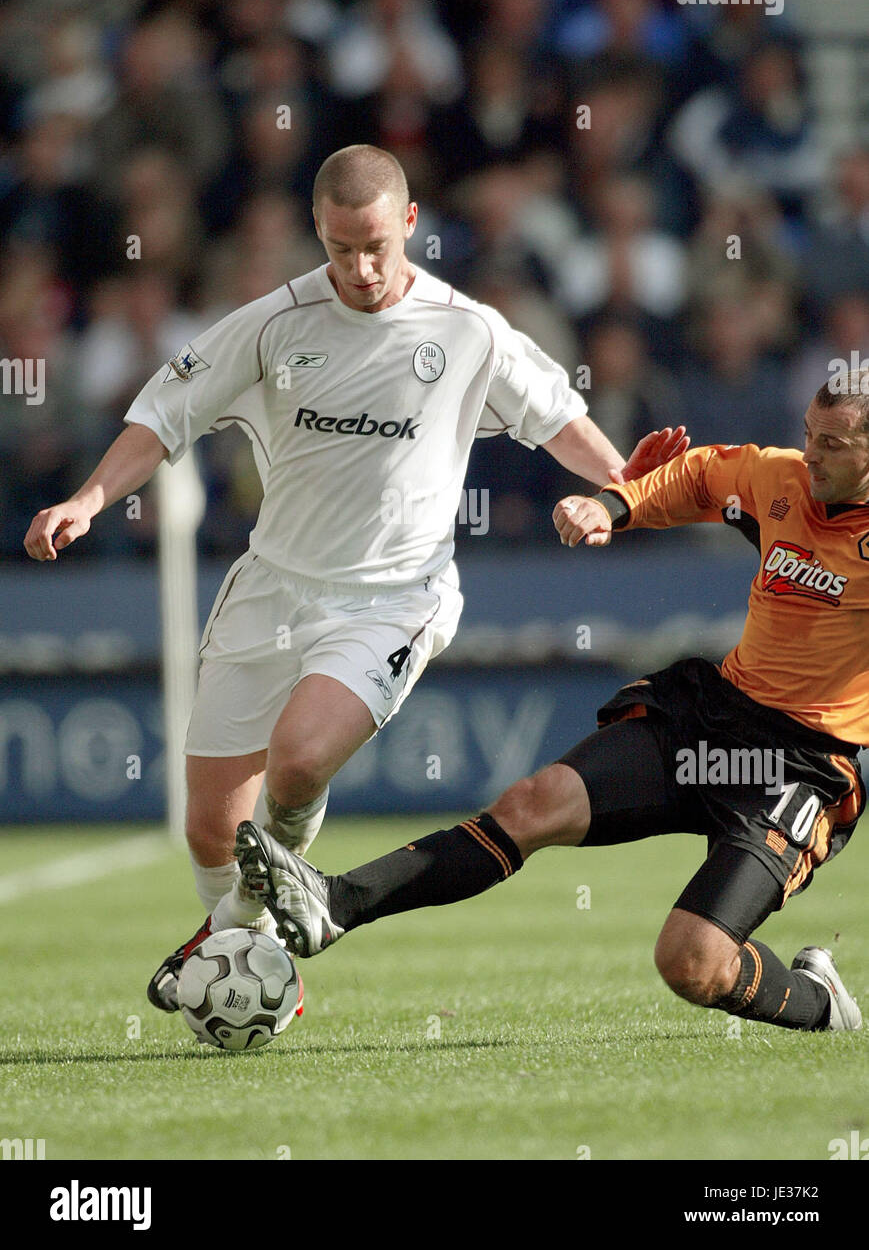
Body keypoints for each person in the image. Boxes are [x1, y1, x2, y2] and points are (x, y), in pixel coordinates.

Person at [23, 143, 688, 1014]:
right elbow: (162, 414)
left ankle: (259, 920)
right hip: (269, 590)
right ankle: (253, 946)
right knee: (209, 830)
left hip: (392, 599)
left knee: (298, 763)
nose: (363, 267)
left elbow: (559, 419)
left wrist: (622, 490)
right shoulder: (272, 323)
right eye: (341, 249)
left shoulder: (466, 329)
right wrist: (87, 499)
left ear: (410, 223)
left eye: (377, 245)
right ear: (318, 233)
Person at [234, 371, 869, 1033]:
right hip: (712, 720)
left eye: (831, 444)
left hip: (797, 767)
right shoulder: (781, 479)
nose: (810, 454)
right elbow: (696, 477)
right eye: (806, 435)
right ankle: (335, 902)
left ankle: (821, 1005)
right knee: (531, 804)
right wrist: (610, 506)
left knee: (692, 964)